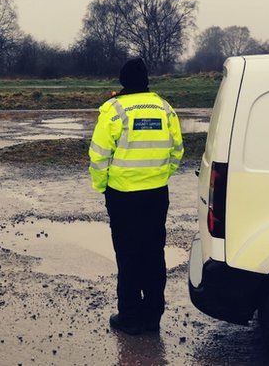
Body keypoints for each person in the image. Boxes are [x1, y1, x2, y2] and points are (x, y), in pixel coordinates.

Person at [88, 58, 184, 335]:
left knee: (128, 255)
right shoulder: (165, 108)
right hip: (156, 194)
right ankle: (153, 316)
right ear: (146, 80)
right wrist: (161, 176)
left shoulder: (113, 110)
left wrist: (102, 186)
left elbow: (98, 155)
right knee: (154, 253)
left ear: (123, 81)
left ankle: (129, 315)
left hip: (123, 196)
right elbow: (177, 150)